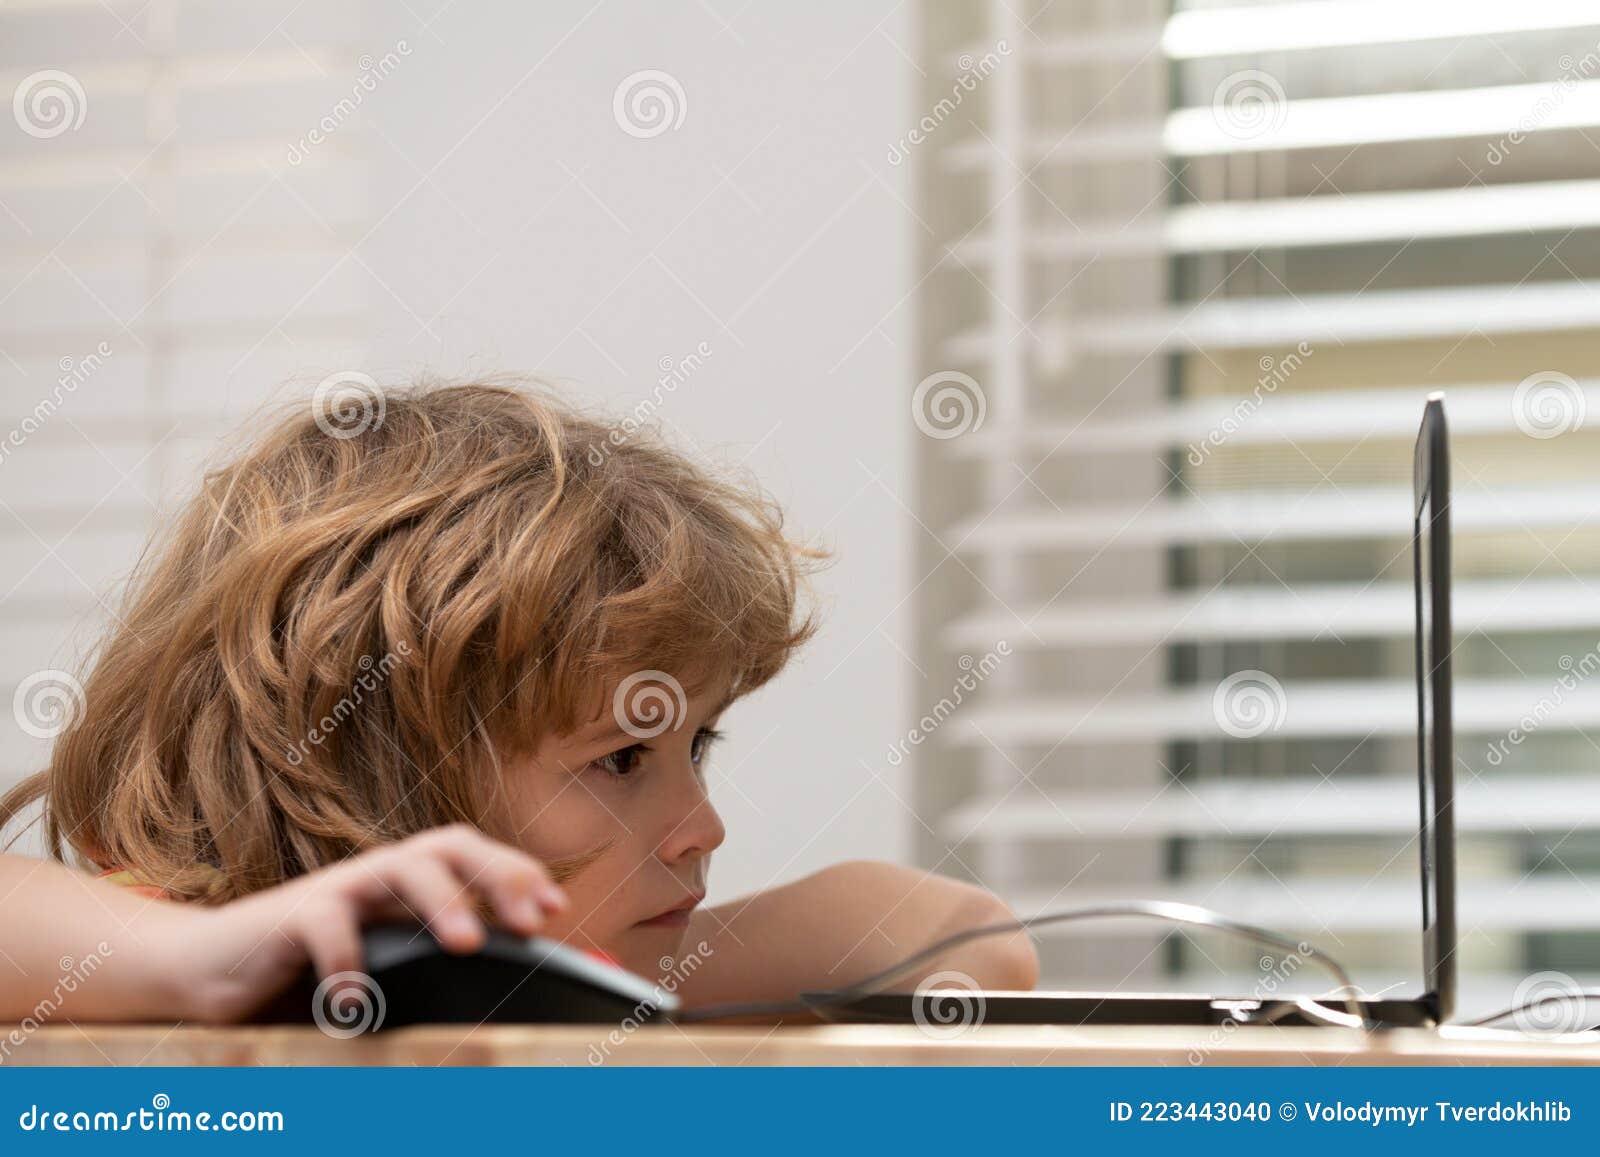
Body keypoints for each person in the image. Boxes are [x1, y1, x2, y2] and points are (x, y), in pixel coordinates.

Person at [0, 381, 1035, 1024]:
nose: (703, 827)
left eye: (697, 744)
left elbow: (972, 938)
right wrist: (204, 960)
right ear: (371, 765)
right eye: (623, 758)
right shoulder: (176, 956)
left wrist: (562, 977)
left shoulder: (564, 986)